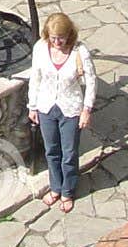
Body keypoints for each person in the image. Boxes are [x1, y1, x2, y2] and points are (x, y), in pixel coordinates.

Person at [27, 12, 96, 213]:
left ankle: (68, 190)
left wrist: (86, 110)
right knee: (51, 150)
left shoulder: (79, 53)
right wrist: (32, 106)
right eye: (53, 38)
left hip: (70, 108)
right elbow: (35, 77)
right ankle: (55, 187)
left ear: (69, 35)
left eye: (61, 38)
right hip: (46, 105)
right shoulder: (40, 48)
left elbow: (91, 82)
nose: (57, 42)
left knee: (69, 153)